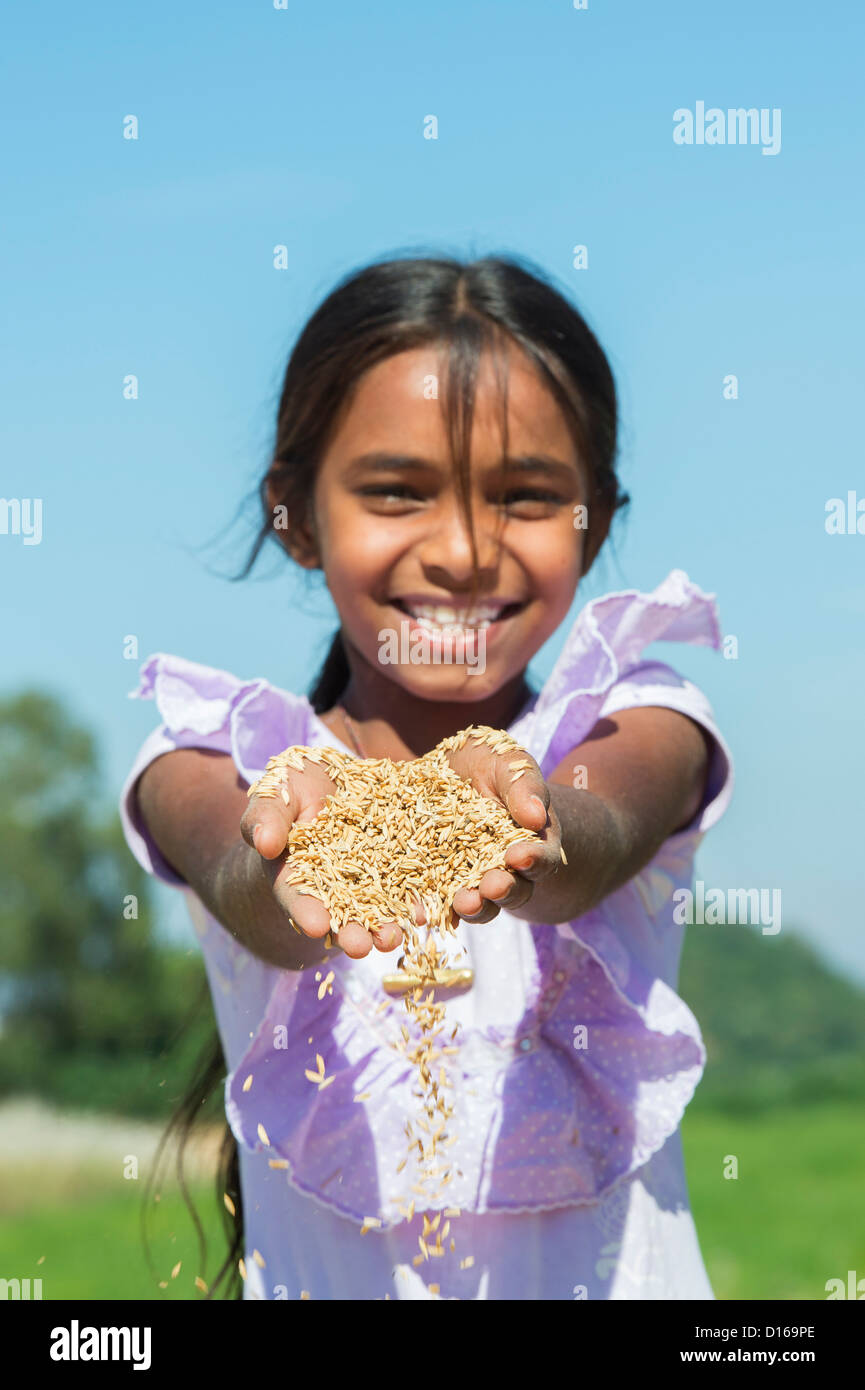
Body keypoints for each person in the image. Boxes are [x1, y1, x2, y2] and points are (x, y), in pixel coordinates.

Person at [120, 253, 733, 1300]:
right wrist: (291, 866)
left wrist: (525, 829)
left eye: (526, 496)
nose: (461, 550)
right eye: (397, 492)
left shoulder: (633, 717)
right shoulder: (216, 756)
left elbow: (589, 828)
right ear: (297, 515)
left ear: (598, 520)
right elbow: (242, 873)